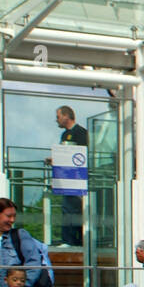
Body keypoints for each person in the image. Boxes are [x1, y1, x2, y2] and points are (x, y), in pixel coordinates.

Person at [55, 105, 88, 247]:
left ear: (66, 116)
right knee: (67, 208)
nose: (56, 120)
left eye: (58, 117)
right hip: (66, 178)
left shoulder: (81, 133)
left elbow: (82, 155)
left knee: (74, 209)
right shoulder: (64, 135)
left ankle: (74, 240)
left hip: (77, 179)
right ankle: (69, 239)